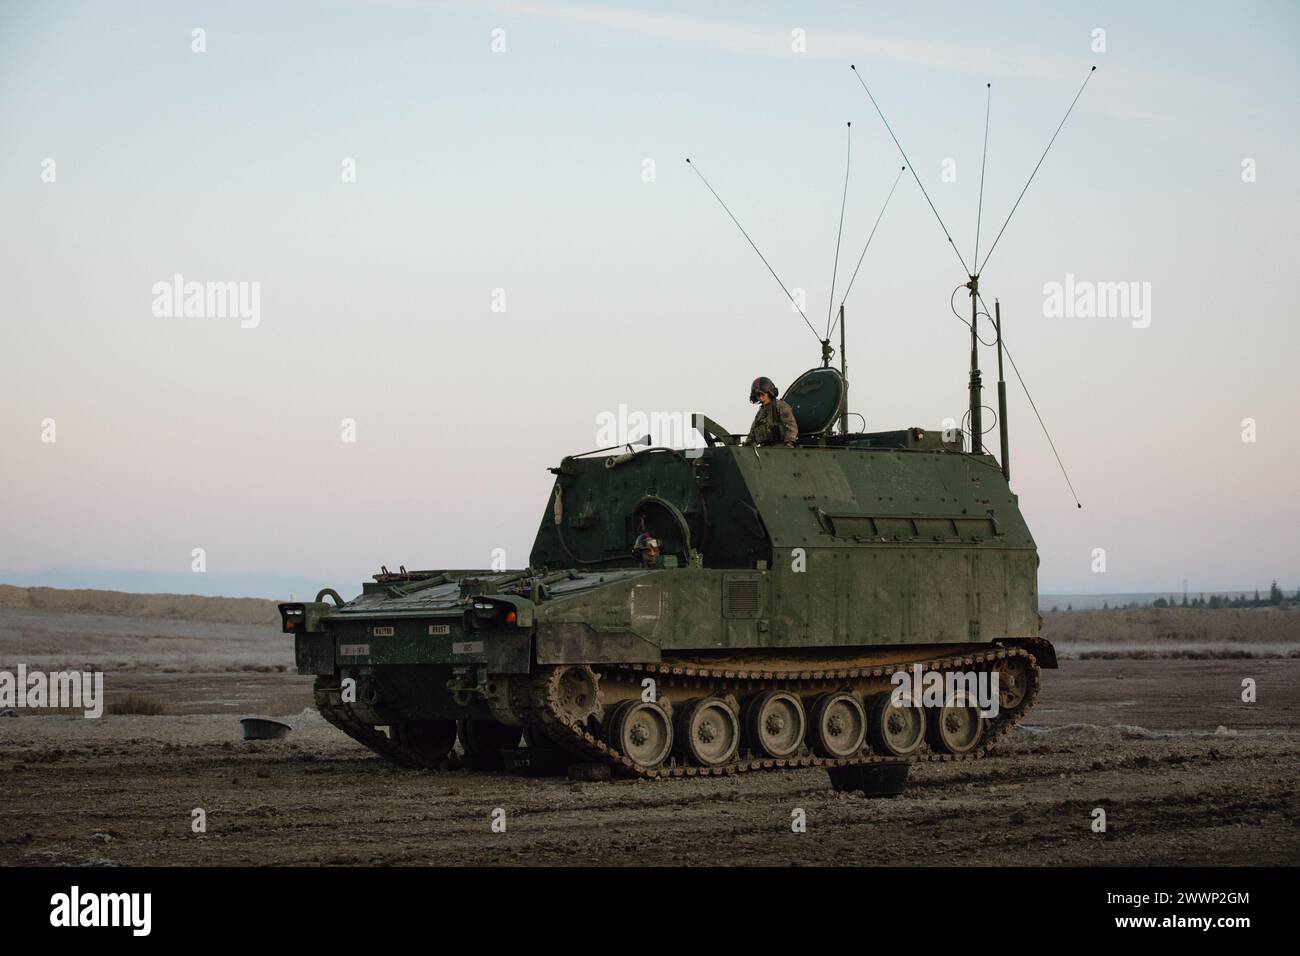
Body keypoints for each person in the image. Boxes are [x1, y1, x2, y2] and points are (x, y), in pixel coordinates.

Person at [746, 376, 798, 448]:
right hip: (765, 450)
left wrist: (789, 444)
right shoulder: (760, 413)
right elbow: (752, 434)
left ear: (769, 393)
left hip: (781, 448)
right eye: (758, 396)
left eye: (762, 394)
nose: (761, 398)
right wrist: (747, 446)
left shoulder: (780, 406)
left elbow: (791, 427)